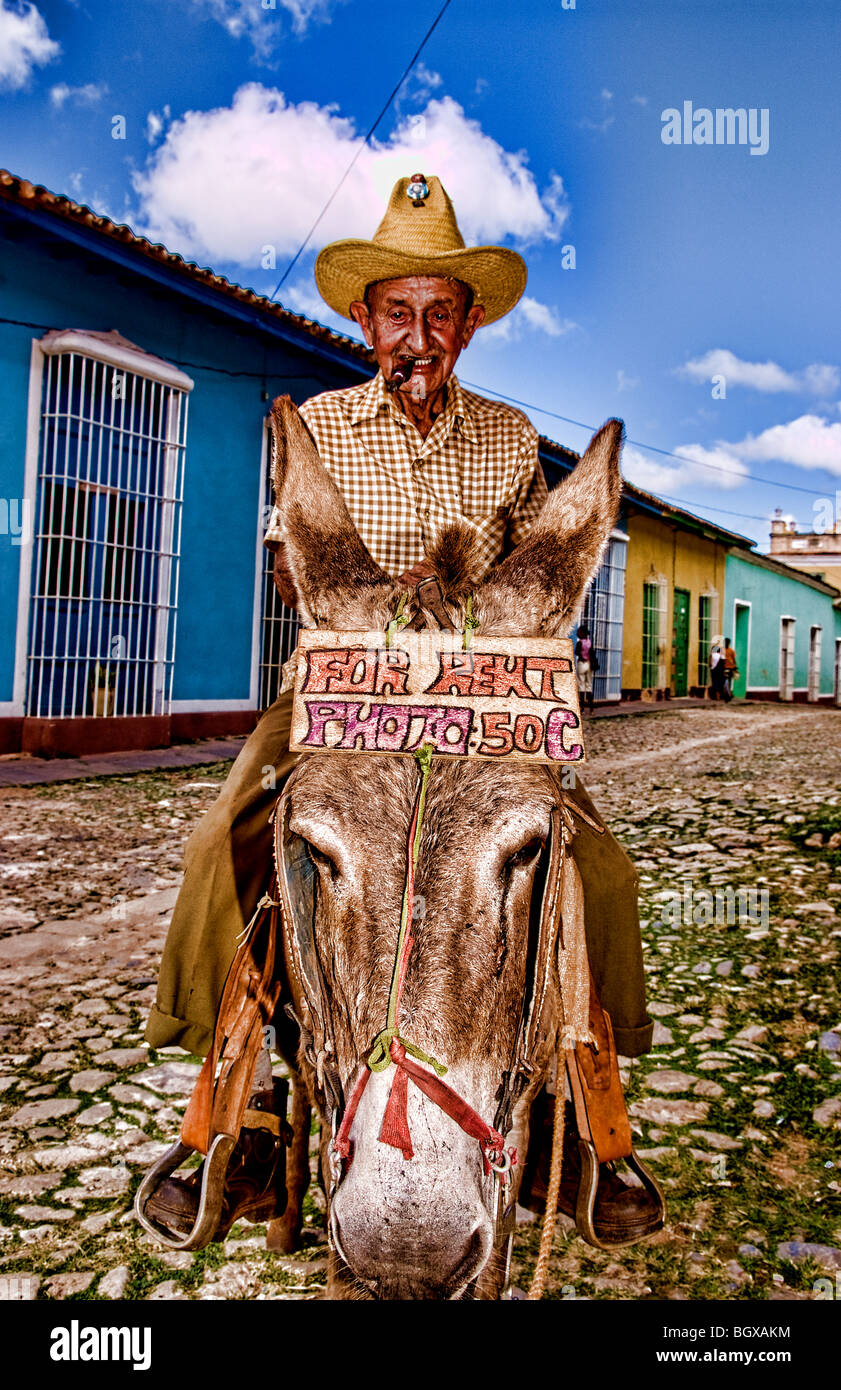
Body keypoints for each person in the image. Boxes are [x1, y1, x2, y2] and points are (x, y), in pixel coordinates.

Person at [143, 174, 655, 1245]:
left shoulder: (510, 438)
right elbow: (294, 563)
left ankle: (586, 1116)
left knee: (595, 866)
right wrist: (354, 598)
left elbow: (531, 571)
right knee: (219, 846)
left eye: (438, 313)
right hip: (340, 703)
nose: (415, 334)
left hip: (480, 714)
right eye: (396, 312)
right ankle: (238, 1109)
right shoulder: (320, 427)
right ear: (363, 320)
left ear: (466, 327)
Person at [575, 622, 596, 712]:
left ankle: (582, 708)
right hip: (589, 664)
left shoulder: (580, 643)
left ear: (582, 633)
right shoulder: (589, 642)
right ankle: (591, 709)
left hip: (581, 663)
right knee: (589, 686)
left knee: (581, 686)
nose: (577, 634)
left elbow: (576, 652)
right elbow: (592, 653)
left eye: (579, 632)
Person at [709, 637, 726, 701]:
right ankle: (721, 696)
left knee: (715, 682)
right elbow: (724, 662)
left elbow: (710, 663)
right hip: (720, 670)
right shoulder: (721, 655)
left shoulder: (712, 655)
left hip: (714, 670)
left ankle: (717, 696)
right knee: (720, 683)